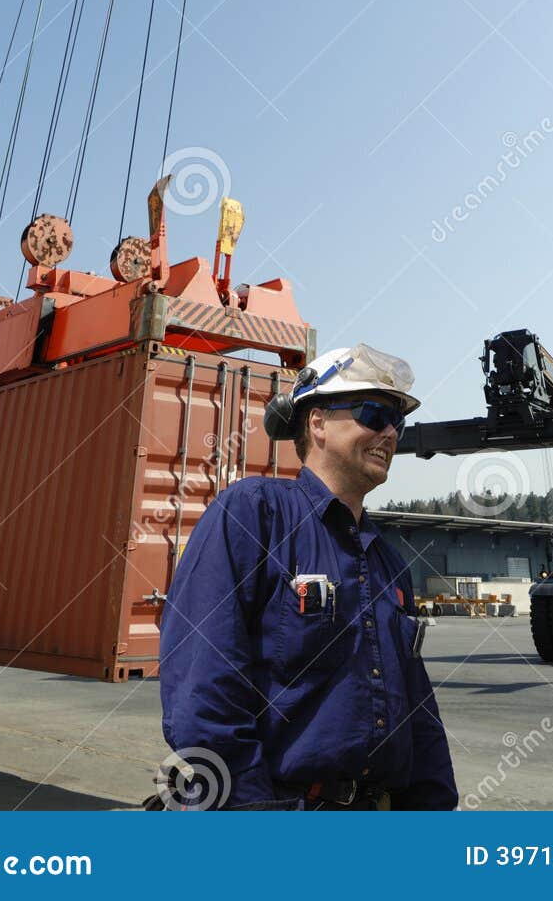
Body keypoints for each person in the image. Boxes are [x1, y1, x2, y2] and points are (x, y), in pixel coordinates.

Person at [155, 343, 459, 810]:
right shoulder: (253, 515)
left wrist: (435, 807)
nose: (390, 433)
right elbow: (202, 691)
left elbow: (417, 707)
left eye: (397, 422)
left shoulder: (389, 564)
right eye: (374, 414)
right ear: (317, 422)